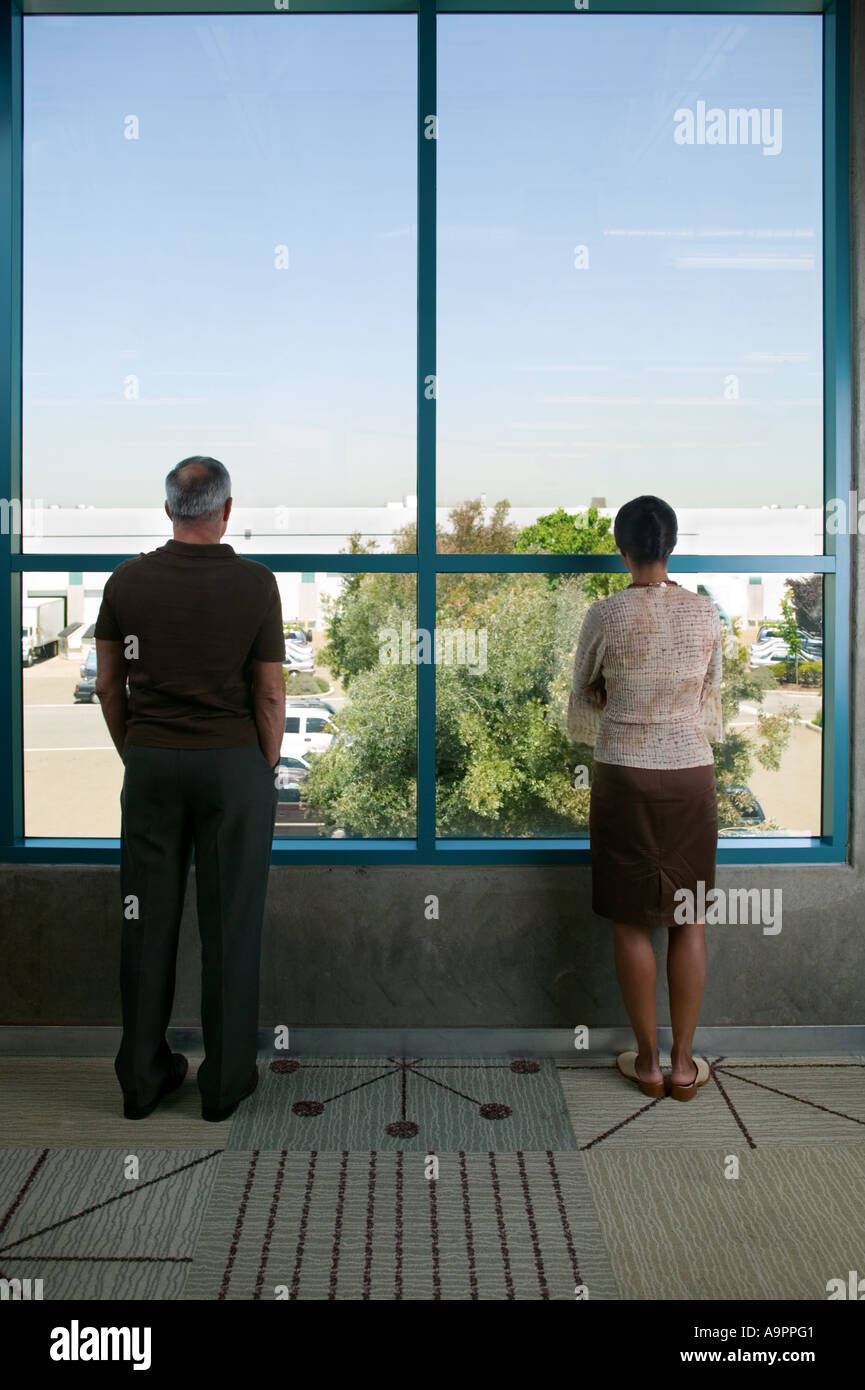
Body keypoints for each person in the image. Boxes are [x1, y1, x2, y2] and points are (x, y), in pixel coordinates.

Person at [94, 457, 285, 1121]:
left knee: (143, 923)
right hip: (232, 766)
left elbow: (107, 685)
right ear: (226, 510)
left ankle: (142, 1081)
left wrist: (138, 753)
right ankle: (224, 1082)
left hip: (152, 765)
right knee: (229, 925)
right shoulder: (256, 584)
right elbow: (268, 689)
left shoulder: (126, 581)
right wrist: (260, 769)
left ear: (169, 508)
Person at [568, 495, 724, 1102]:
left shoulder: (604, 614)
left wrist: (625, 704)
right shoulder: (706, 615)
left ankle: (649, 1063)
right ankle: (685, 1067)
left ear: (621, 547)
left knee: (631, 919)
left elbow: (584, 690)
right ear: (673, 545)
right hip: (690, 774)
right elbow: (710, 691)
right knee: (689, 917)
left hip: (624, 774)